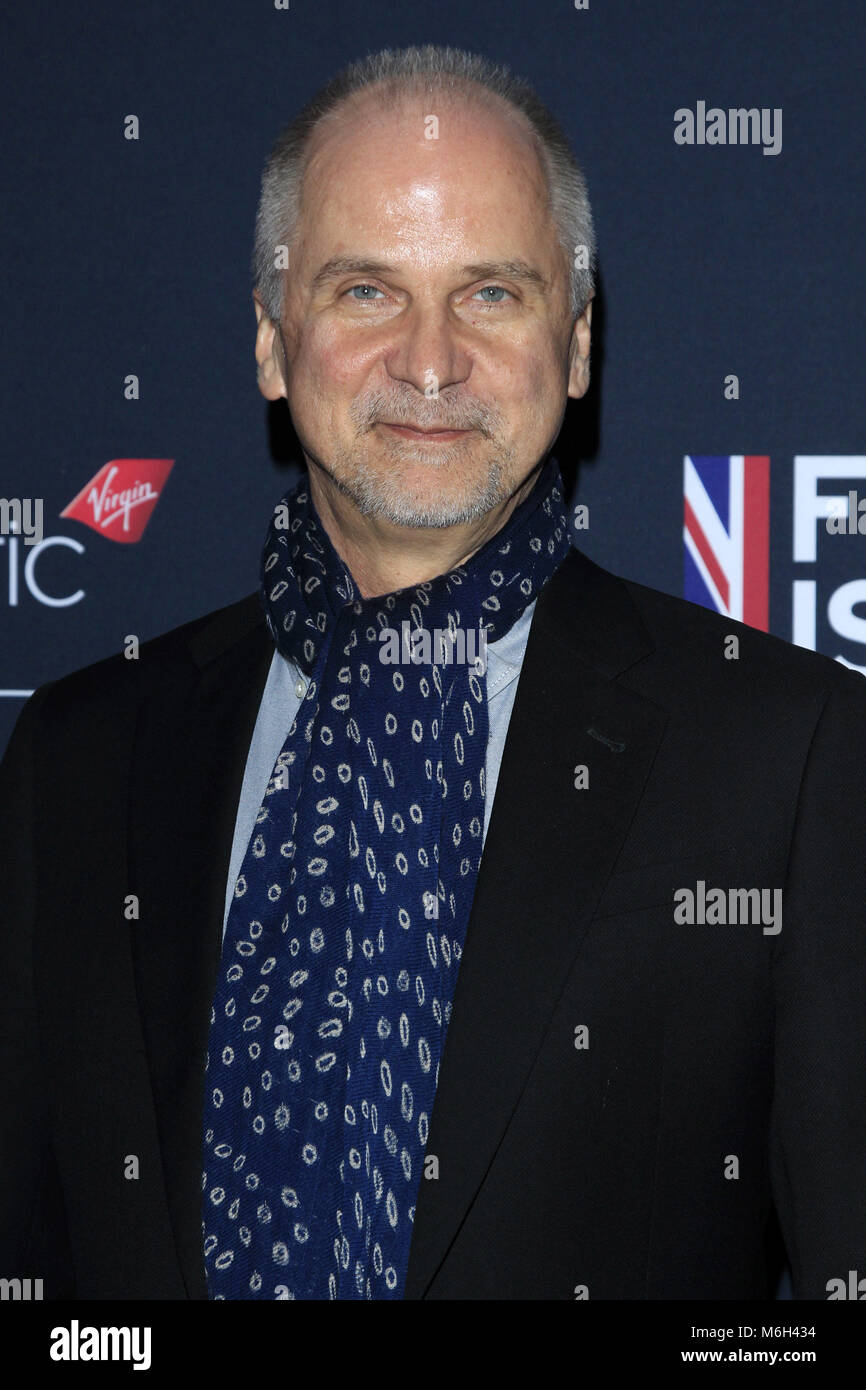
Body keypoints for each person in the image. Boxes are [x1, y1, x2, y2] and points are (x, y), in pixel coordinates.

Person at [1, 43, 864, 1302]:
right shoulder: (76, 759)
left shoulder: (783, 755)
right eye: (364, 290)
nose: (427, 361)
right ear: (267, 337)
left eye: (491, 293)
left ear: (574, 345)